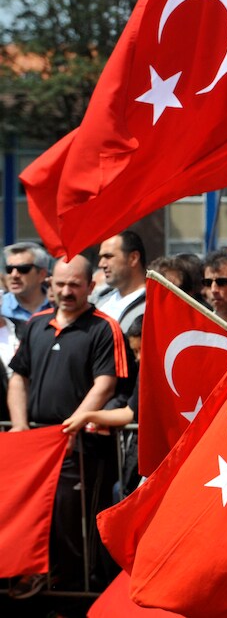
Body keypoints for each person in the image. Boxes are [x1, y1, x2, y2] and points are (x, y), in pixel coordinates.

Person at [7, 256, 130, 597]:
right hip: (37, 446)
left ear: (91, 286)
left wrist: (75, 424)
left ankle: (77, 595)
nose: (65, 291)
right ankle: (39, 582)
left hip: (82, 448)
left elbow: (105, 384)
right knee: (33, 520)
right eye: (59, 284)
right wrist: (19, 427)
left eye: (75, 284)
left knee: (74, 526)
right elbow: (19, 376)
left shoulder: (105, 327)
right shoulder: (36, 324)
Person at [94, 231, 148, 332]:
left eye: (108, 256)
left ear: (133, 258)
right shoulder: (99, 302)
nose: (101, 264)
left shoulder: (152, 306)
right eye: (101, 257)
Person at [1, 242, 52, 325]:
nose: (14, 275)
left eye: (23, 269)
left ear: (41, 274)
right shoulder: (1, 308)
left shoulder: (58, 305)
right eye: (9, 269)